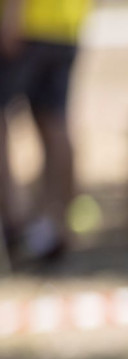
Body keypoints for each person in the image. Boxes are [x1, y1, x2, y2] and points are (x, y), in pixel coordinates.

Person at [0, 0, 90, 266]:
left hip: (29, 23)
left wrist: (13, 14)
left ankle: (14, 222)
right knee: (55, 123)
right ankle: (54, 226)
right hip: (67, 22)